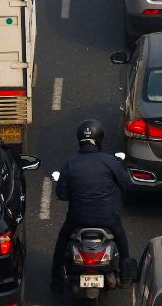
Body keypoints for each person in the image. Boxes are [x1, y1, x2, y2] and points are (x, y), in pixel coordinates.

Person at [51, 119, 133, 291]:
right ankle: (126, 276)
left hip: (77, 219)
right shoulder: (110, 162)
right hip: (107, 219)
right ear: (100, 139)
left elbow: (61, 194)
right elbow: (127, 184)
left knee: (62, 241)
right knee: (122, 239)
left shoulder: (70, 164)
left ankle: (56, 280)